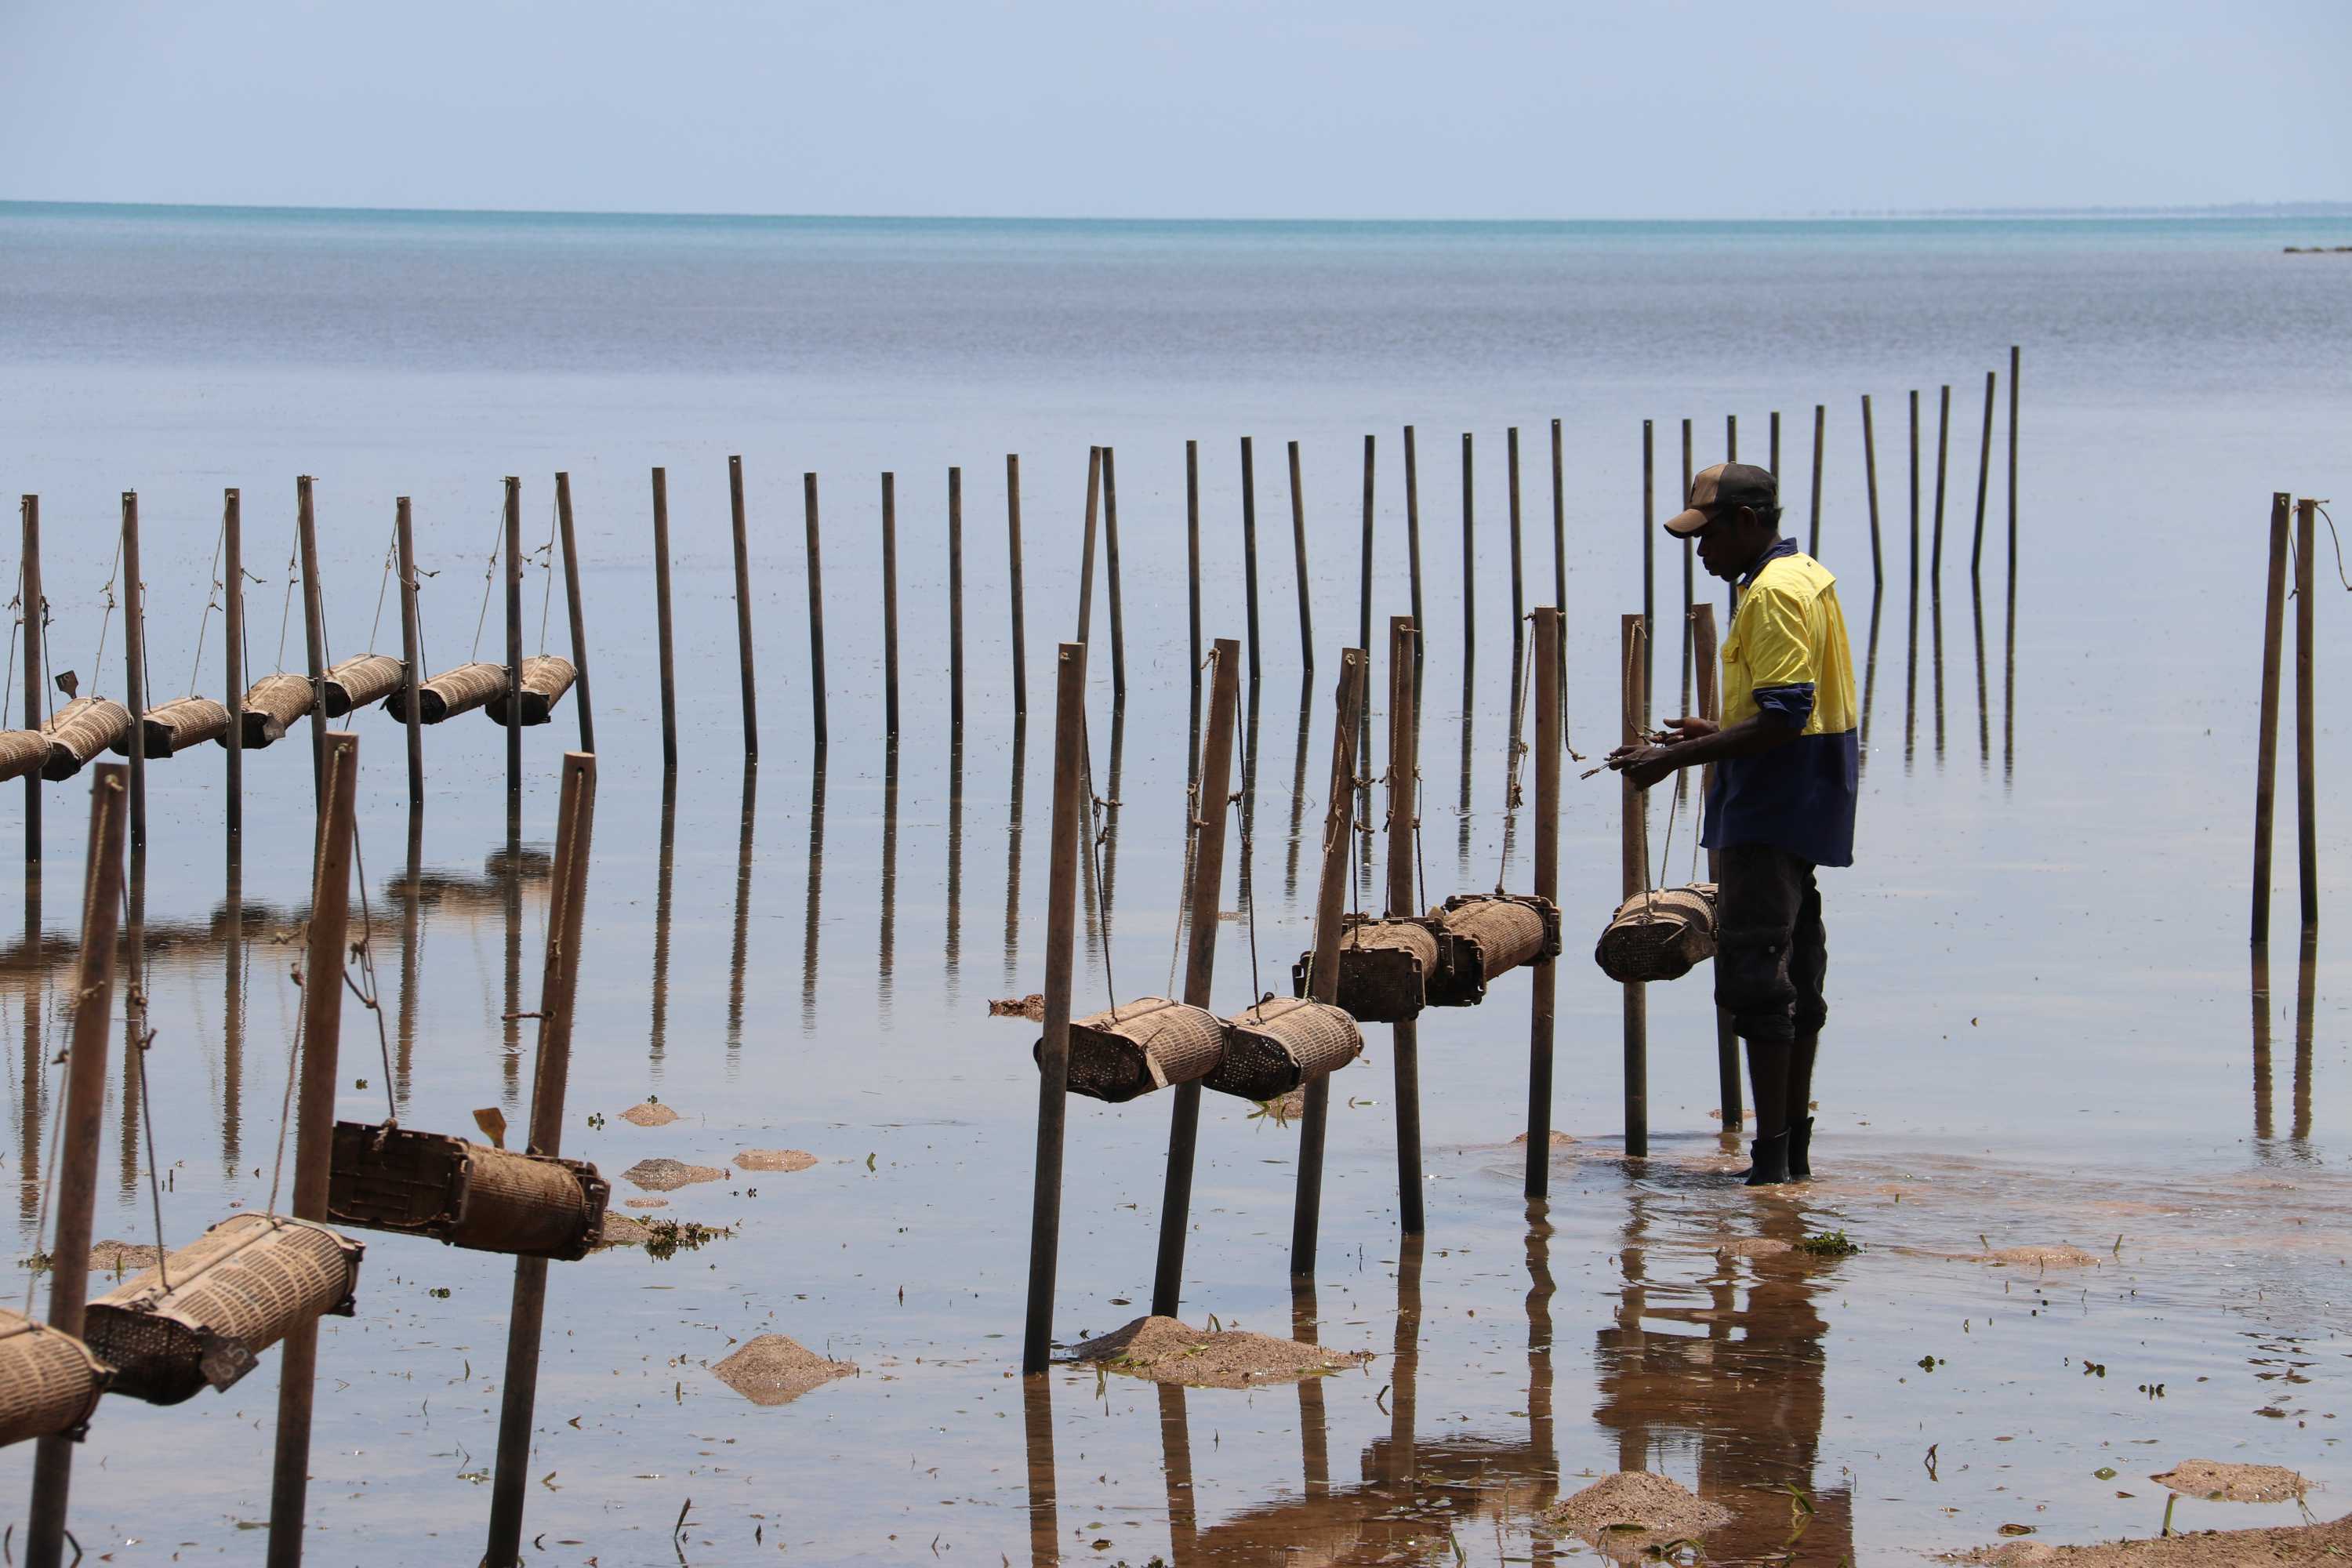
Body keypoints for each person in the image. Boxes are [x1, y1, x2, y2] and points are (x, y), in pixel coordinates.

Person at [1608, 462, 1857, 1185]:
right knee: (1798, 966)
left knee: (1755, 976)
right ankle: (1792, 1155)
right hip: (1813, 793)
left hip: (1770, 800)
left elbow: (1784, 716)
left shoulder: (1773, 594)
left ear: (1747, 523)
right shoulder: (1806, 575)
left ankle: (1771, 1165)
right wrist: (1715, 731)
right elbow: (1795, 703)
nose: (1700, 552)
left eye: (1707, 535)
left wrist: (1679, 757)